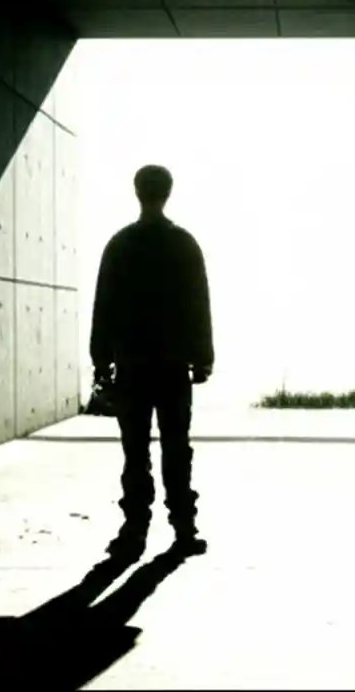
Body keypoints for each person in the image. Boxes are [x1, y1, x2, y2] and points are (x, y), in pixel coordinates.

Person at [89, 164, 214, 559]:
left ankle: (134, 529)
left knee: (135, 450)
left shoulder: (120, 244)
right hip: (173, 365)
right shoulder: (183, 244)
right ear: (168, 192)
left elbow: (103, 305)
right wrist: (202, 357)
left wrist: (101, 359)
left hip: (132, 365)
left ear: (137, 192)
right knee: (177, 447)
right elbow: (199, 302)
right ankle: (183, 527)